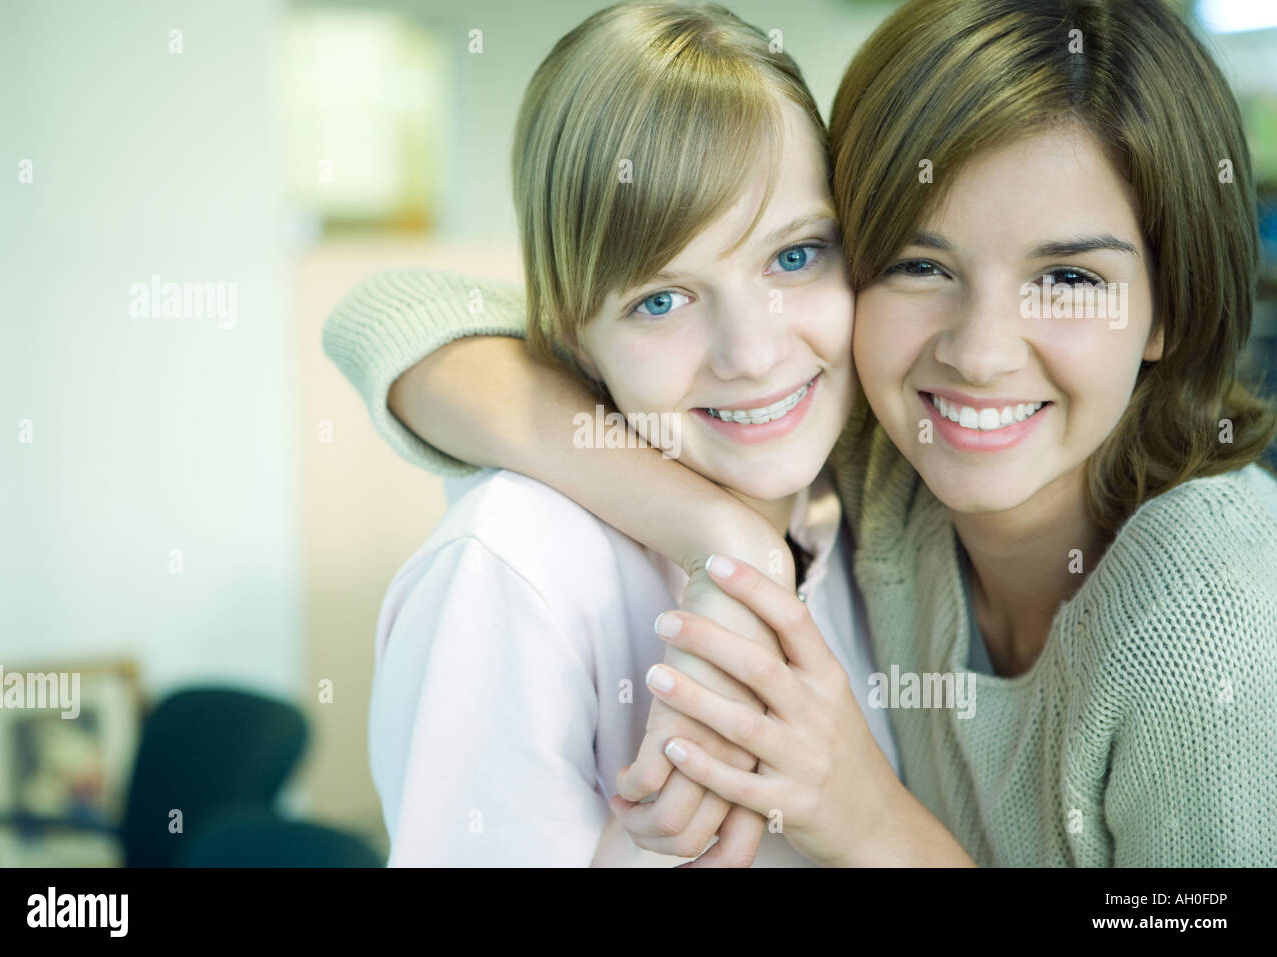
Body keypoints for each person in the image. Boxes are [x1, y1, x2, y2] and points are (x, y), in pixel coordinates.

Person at [327, 0, 1277, 865]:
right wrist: (727, 542)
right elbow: (401, 316)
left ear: (1168, 305)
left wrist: (872, 822)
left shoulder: (1209, 614)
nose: (982, 355)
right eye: (918, 263)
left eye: (1068, 278)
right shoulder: (883, 460)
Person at [348, 0, 912, 866]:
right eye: (661, 300)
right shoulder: (511, 572)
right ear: (575, 339)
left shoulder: (866, 492)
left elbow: (393, 318)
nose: (754, 353)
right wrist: (725, 544)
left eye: (793, 256)